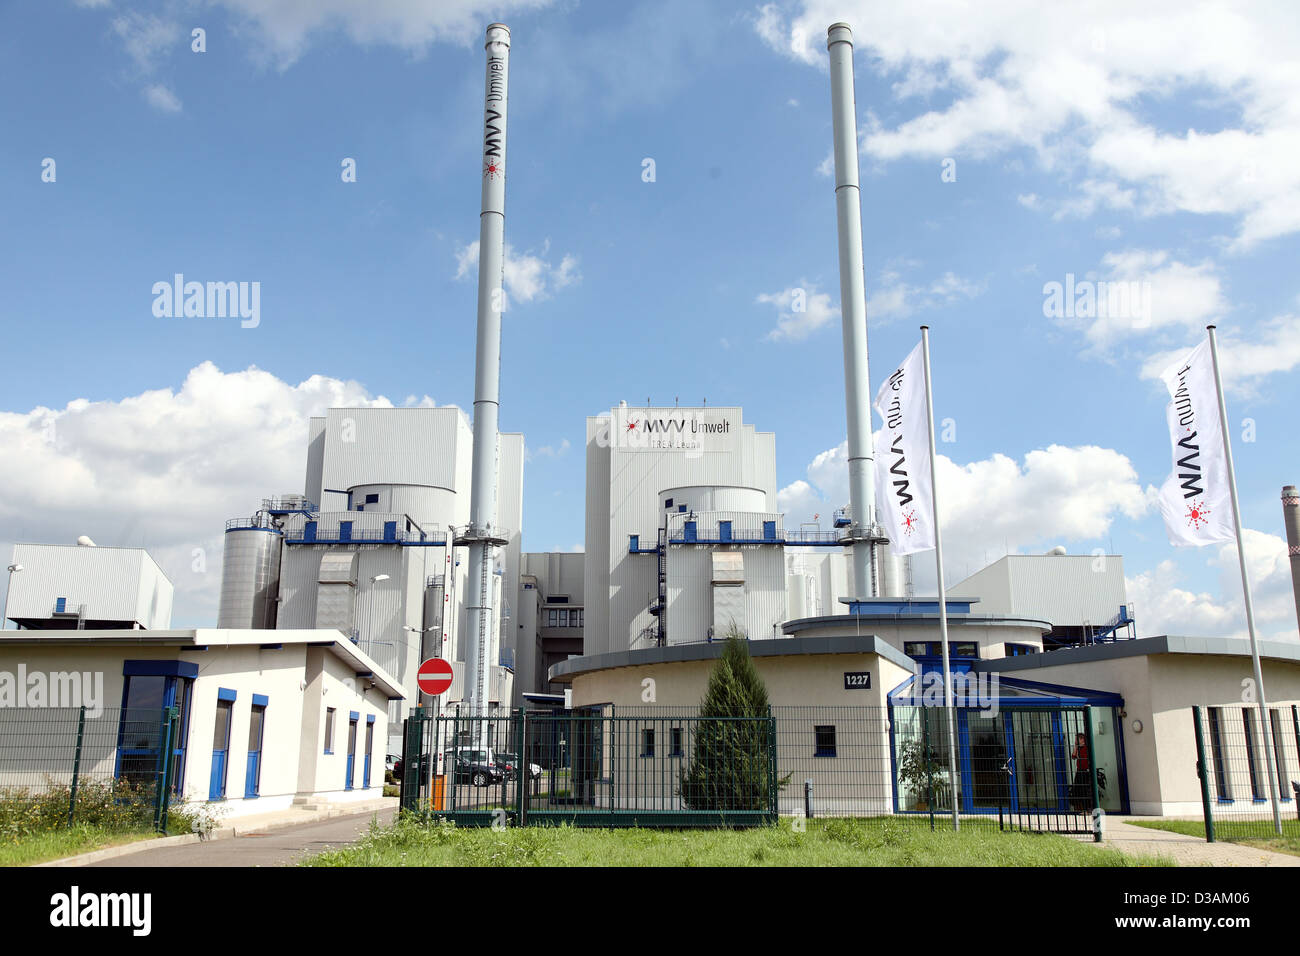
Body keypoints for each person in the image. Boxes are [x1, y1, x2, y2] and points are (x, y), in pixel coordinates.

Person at [1070, 732, 1091, 812]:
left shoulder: (1086, 747)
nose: (1075, 741)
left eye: (1077, 739)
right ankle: (1081, 808)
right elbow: (1073, 756)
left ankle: (1087, 809)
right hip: (1079, 771)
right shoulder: (1078, 748)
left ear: (1082, 739)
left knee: (1085, 790)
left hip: (1085, 771)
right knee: (1077, 789)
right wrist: (1075, 746)